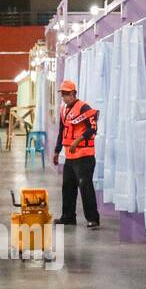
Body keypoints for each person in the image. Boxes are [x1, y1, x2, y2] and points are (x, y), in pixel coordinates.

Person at [52, 79, 100, 228]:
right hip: (70, 157)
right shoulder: (63, 110)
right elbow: (62, 131)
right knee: (67, 187)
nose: (64, 97)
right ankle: (68, 217)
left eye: (67, 94)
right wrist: (57, 150)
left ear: (74, 93)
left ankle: (93, 219)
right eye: (63, 94)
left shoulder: (84, 108)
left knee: (85, 186)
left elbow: (92, 128)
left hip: (84, 156)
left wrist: (77, 141)